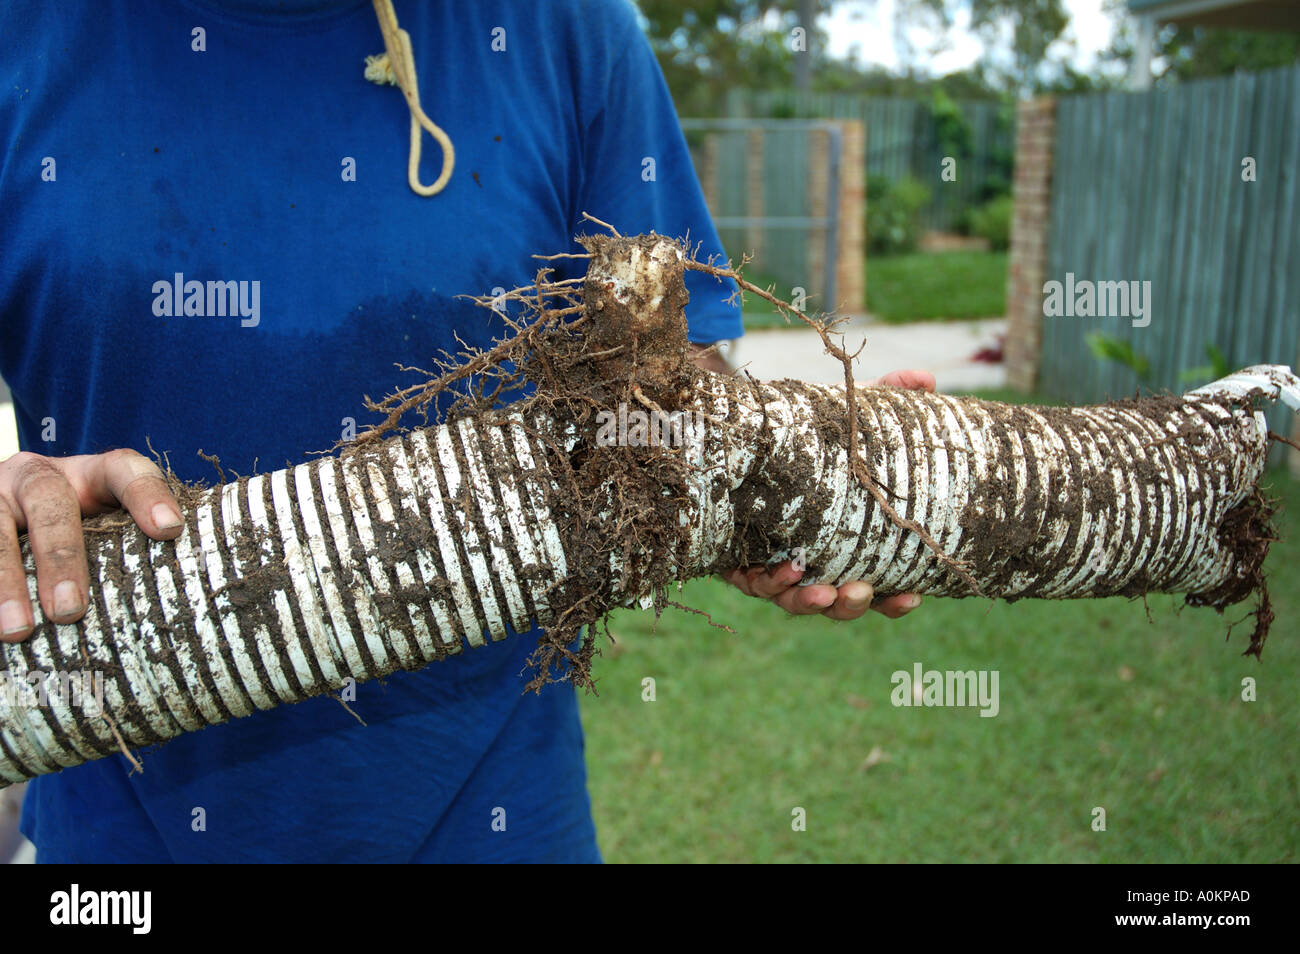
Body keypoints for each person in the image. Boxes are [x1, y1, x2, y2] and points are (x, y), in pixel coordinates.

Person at [0, 0, 927, 863]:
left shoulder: (561, 28)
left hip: (492, 801)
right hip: (118, 820)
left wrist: (795, 471)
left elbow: (676, 383)